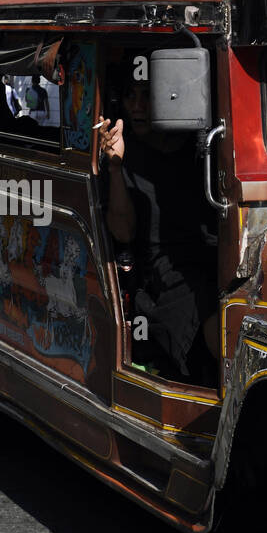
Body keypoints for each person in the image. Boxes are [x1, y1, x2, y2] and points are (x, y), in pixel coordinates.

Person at [96, 69, 219, 385]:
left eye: (148, 96)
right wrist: (114, 164)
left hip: (215, 252)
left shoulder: (204, 144)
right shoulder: (125, 154)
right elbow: (122, 232)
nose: (137, 106)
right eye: (130, 96)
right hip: (165, 268)